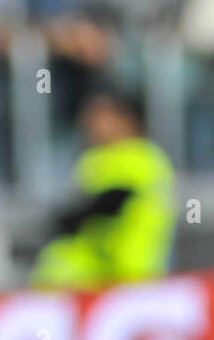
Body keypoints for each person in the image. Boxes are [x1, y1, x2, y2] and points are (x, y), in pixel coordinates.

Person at [31, 87, 176, 291]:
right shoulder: (91, 159)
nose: (90, 123)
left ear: (127, 119)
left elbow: (111, 202)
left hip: (132, 273)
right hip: (97, 274)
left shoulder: (143, 157)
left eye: (101, 116)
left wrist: (71, 217)